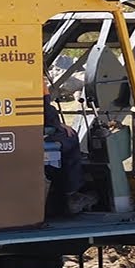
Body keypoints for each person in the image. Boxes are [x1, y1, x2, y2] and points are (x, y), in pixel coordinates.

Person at [44, 78, 96, 215]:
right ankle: (72, 193)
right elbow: (44, 109)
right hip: (36, 135)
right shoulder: (34, 80)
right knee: (70, 138)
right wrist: (57, 125)